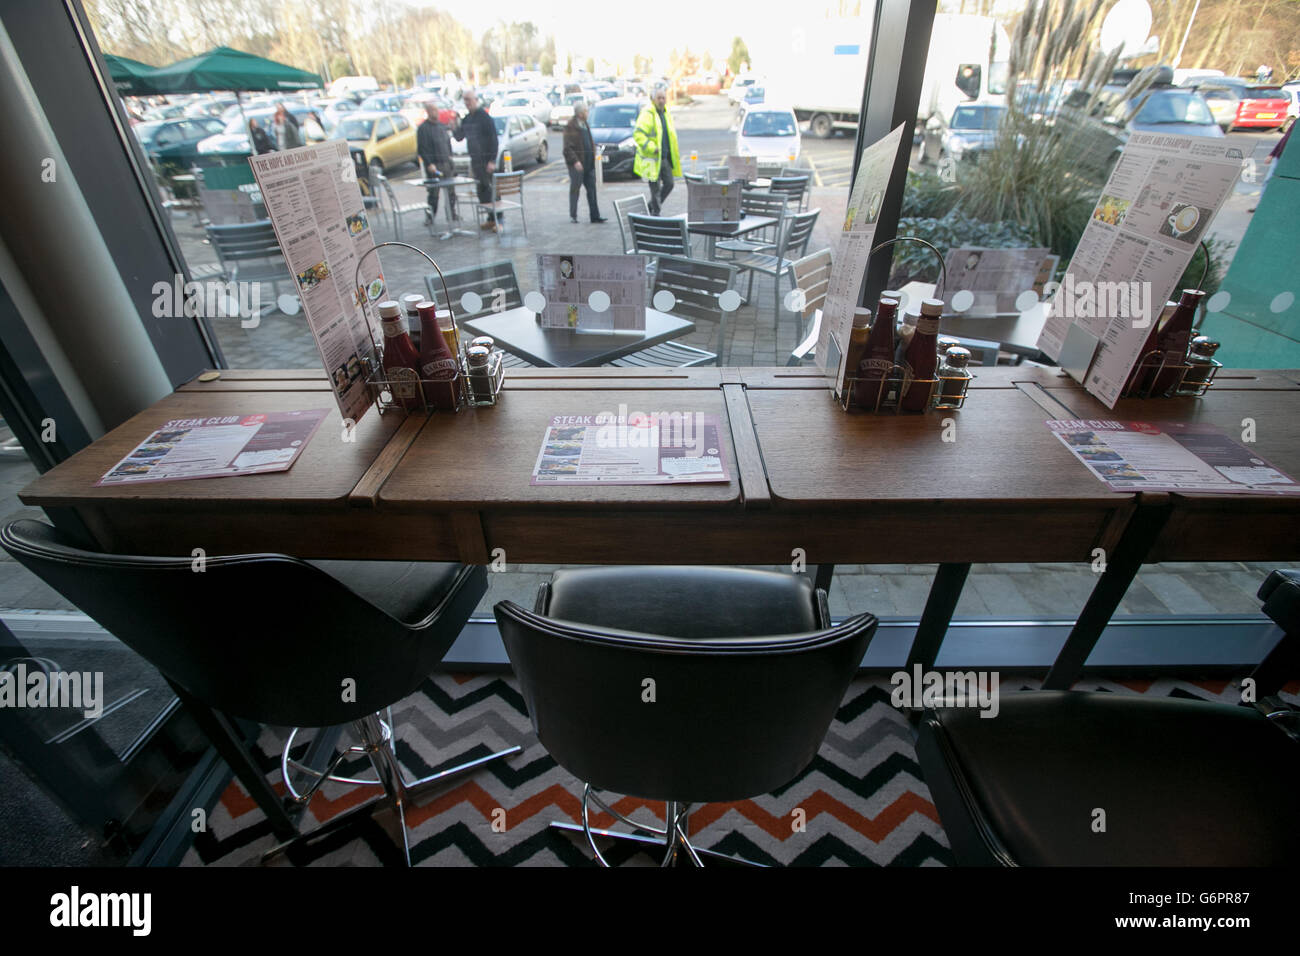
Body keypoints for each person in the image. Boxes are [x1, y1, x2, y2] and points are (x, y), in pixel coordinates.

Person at [453, 90, 501, 231]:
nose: (467, 103)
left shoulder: (484, 118)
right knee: (481, 192)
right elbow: (459, 137)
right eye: (465, 100)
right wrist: (454, 125)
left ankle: (499, 220)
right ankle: (491, 219)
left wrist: (492, 160)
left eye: (469, 99)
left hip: (487, 162)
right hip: (476, 162)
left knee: (492, 191)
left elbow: (494, 140)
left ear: (476, 100)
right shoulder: (467, 119)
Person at [633, 85, 681, 215]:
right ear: (653, 99)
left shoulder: (666, 113)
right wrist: (651, 147)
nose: (661, 100)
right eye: (659, 98)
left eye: (663, 98)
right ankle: (656, 215)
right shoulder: (647, 113)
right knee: (654, 190)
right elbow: (638, 134)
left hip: (664, 158)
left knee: (670, 184)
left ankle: (650, 207)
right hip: (651, 159)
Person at [562, 101, 607, 224]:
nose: (588, 113)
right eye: (586, 111)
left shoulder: (585, 124)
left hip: (588, 164)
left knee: (592, 190)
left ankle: (595, 215)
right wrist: (575, 161)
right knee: (575, 190)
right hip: (577, 165)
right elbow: (567, 148)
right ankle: (573, 215)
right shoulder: (571, 126)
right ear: (580, 113)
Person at [417, 102, 457, 224]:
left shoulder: (441, 126)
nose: (436, 113)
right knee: (434, 194)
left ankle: (452, 214)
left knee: (451, 192)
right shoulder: (423, 129)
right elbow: (422, 148)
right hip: (434, 166)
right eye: (433, 110)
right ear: (428, 112)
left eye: (436, 110)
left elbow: (447, 144)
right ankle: (430, 217)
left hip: (446, 164)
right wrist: (429, 164)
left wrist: (450, 159)